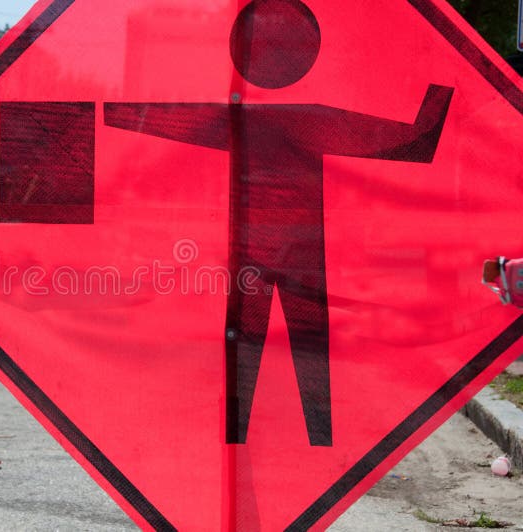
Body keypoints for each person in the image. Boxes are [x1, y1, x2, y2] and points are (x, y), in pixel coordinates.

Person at [105, 0, 453, 446]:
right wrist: (444, 89)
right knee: (290, 346)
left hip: (266, 257)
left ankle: (273, 438)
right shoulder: (307, 120)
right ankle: (303, 438)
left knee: (262, 346)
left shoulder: (262, 120)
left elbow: (413, 144)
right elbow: (415, 143)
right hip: (283, 257)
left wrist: (101, 111)